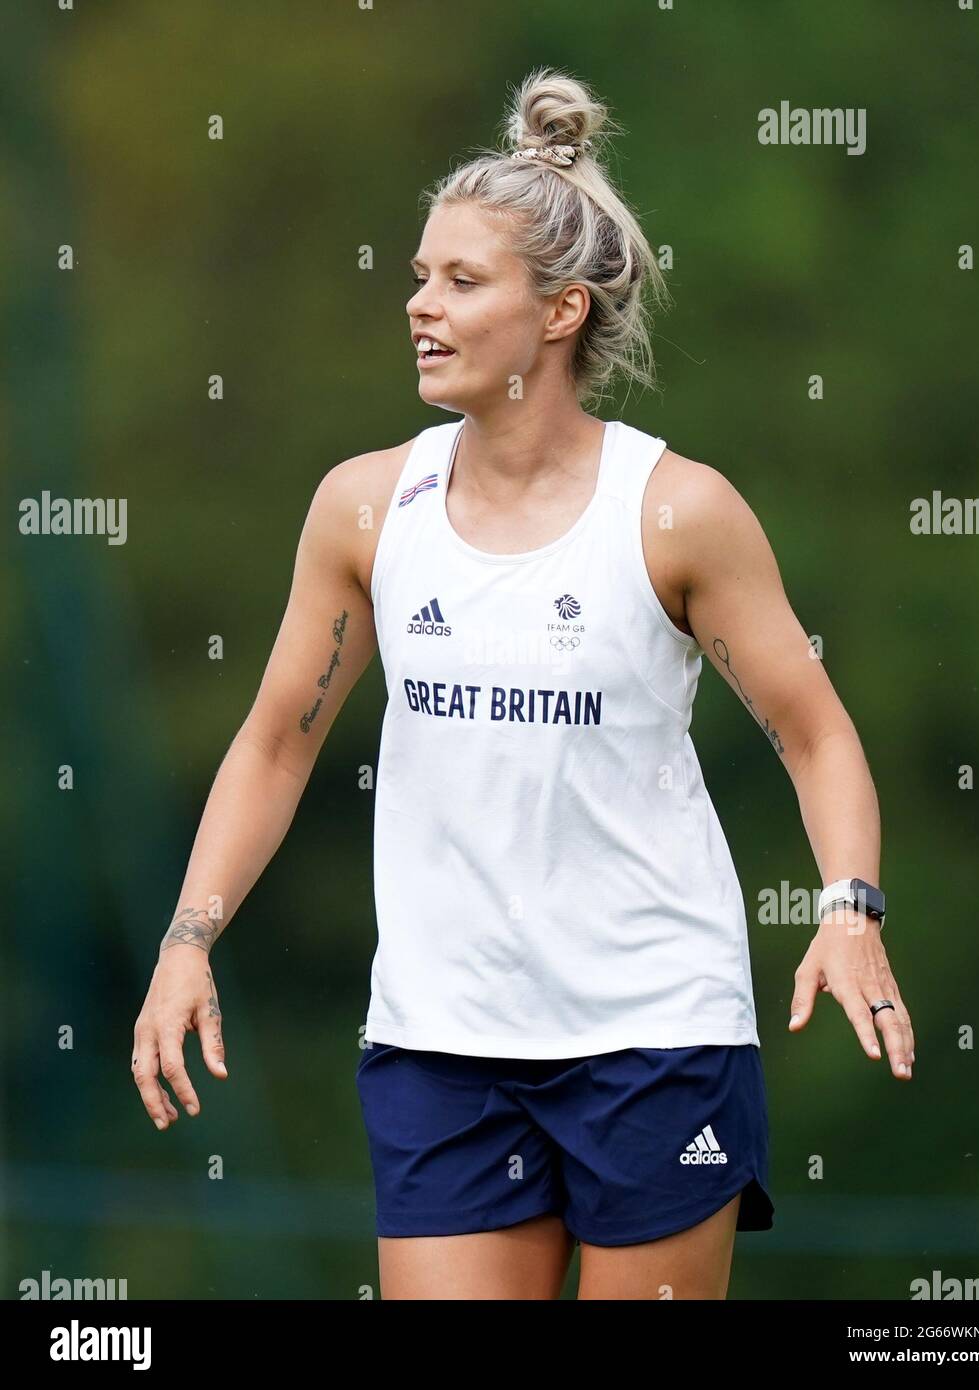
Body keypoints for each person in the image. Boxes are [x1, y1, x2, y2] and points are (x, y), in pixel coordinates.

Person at [131, 67, 914, 1301]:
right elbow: (277, 740)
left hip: (655, 1039)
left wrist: (847, 909)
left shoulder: (674, 512)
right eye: (417, 276)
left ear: (559, 313)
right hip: (441, 1045)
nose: (418, 307)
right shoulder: (363, 506)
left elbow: (816, 734)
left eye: (459, 281)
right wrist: (189, 939)